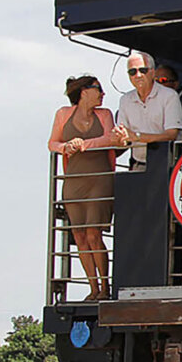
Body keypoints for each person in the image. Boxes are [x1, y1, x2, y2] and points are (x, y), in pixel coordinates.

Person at [48, 76, 120, 300]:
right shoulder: (63, 114)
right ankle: (93, 288)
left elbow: (110, 139)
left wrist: (84, 144)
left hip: (99, 178)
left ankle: (105, 287)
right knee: (79, 235)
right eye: (98, 89)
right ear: (83, 91)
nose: (102, 94)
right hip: (74, 180)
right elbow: (52, 143)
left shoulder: (104, 115)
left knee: (93, 232)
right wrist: (66, 147)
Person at [113, 52, 182, 170]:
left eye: (143, 70)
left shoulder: (170, 95)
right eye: (132, 72)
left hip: (168, 166)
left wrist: (137, 137)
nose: (138, 75)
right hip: (138, 165)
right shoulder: (125, 100)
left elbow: (171, 135)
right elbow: (124, 138)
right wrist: (117, 137)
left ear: (152, 72)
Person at [154, 64, 182, 130]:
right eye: (155, 81)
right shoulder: (145, 109)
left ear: (175, 84)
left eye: (162, 80)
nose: (157, 85)